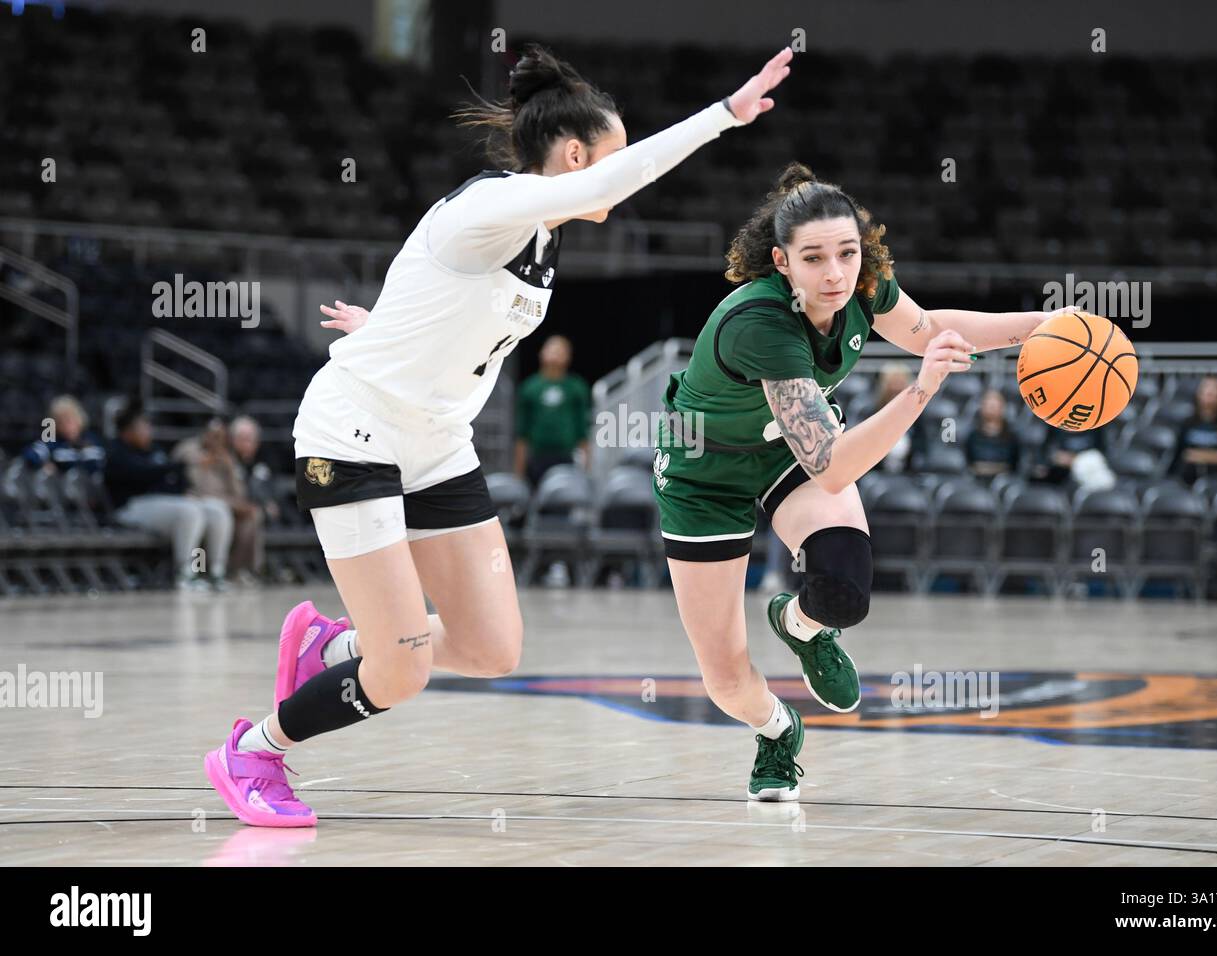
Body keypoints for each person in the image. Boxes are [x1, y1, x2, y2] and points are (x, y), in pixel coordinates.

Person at [203, 43, 795, 827]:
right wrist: (725, 114)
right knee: (406, 668)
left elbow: (446, 310)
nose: (612, 180)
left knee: (491, 648)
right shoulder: (493, 205)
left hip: (439, 442)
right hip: (356, 432)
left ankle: (337, 651)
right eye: (607, 159)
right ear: (578, 155)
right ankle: (256, 747)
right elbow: (611, 182)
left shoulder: (543, 235)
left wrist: (384, 327)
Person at [651, 163, 1076, 801]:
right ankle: (776, 731)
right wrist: (924, 388)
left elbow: (930, 330)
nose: (835, 274)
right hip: (703, 475)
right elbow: (835, 466)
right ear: (782, 261)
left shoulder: (861, 285)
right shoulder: (759, 324)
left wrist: (1038, 328)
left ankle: (798, 624)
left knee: (844, 587)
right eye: (814, 258)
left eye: (847, 253)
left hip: (784, 454)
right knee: (726, 679)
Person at [105, 403, 233, 591]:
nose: (148, 431)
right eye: (143, 427)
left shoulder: (154, 451)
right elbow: (141, 475)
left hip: (164, 503)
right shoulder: (116, 452)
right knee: (189, 512)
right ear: (128, 431)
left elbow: (172, 478)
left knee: (217, 509)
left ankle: (216, 571)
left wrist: (179, 484)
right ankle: (186, 574)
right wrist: (170, 469)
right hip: (130, 506)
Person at [174, 418, 264, 583]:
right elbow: (197, 487)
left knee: (252, 516)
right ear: (204, 434)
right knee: (209, 513)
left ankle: (237, 571)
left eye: (220, 436)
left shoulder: (227, 457)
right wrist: (205, 458)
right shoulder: (189, 449)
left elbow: (239, 491)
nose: (216, 439)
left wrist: (228, 466)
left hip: (224, 504)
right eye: (213, 435)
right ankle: (196, 571)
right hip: (199, 503)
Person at [513, 334, 591, 486]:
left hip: (567, 457)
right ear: (541, 353)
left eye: (560, 351)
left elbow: (583, 431)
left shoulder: (576, 387)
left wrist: (586, 468)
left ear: (568, 357)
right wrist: (518, 472)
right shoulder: (529, 388)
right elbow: (522, 433)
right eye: (552, 350)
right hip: (537, 459)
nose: (555, 355)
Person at [21, 395, 105, 475]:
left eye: (70, 420)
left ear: (79, 418)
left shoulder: (93, 440)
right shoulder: (51, 441)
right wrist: (44, 465)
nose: (67, 426)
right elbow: (31, 454)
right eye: (61, 422)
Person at [964, 388, 1020, 478]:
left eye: (994, 405)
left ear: (1002, 408)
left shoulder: (1012, 438)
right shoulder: (973, 436)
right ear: (982, 408)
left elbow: (1014, 465)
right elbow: (969, 464)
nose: (991, 408)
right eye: (988, 405)